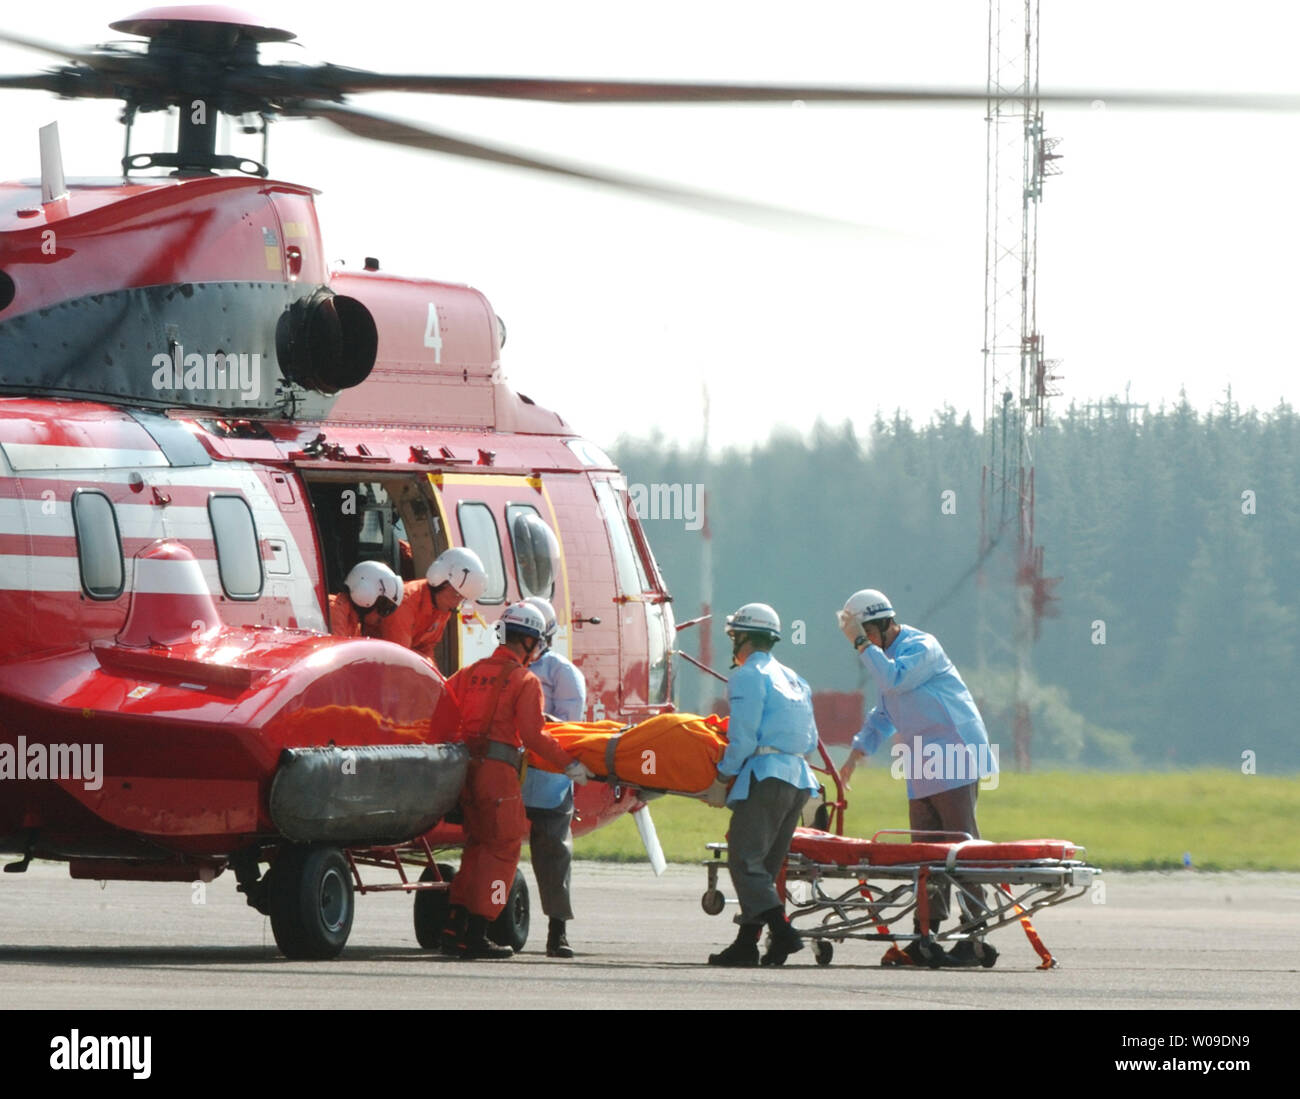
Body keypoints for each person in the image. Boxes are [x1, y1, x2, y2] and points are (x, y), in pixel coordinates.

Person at [837, 588, 997, 967]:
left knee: (961, 850)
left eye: (866, 633)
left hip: (955, 754)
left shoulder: (921, 647)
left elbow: (893, 681)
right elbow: (884, 710)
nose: (863, 644)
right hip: (922, 762)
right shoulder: (884, 657)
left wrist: (860, 643)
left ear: (880, 624)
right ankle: (925, 936)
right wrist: (856, 754)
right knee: (926, 855)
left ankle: (975, 937)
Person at [440, 601, 594, 959]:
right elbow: (534, 736)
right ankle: (479, 930)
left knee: (476, 848)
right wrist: (570, 764)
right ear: (529, 642)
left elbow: (441, 704)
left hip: (465, 773)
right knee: (503, 851)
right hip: (498, 777)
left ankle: (453, 926)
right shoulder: (525, 681)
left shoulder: (471, 673)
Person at [704, 603, 819, 968]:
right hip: (799, 778)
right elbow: (812, 740)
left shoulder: (747, 675)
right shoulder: (795, 678)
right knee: (766, 867)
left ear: (742, 637)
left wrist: (722, 775)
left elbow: (742, 736)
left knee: (743, 856)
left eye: (734, 636)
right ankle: (745, 944)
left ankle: (781, 930)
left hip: (766, 776)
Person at [519, 596, 587, 959]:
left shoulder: (562, 674)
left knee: (554, 856)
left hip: (549, 781)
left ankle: (557, 929)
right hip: (510, 778)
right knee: (493, 850)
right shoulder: (509, 670)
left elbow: (571, 730)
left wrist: (532, 725)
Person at [382, 546, 488, 666]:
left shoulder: (443, 607)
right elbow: (398, 660)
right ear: (440, 582)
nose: (456, 603)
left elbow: (425, 649)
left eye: (462, 598)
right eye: (456, 595)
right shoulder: (405, 602)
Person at [330, 560, 403, 638]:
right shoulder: (335, 610)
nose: (382, 618)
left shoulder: (353, 622)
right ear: (365, 592)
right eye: (383, 608)